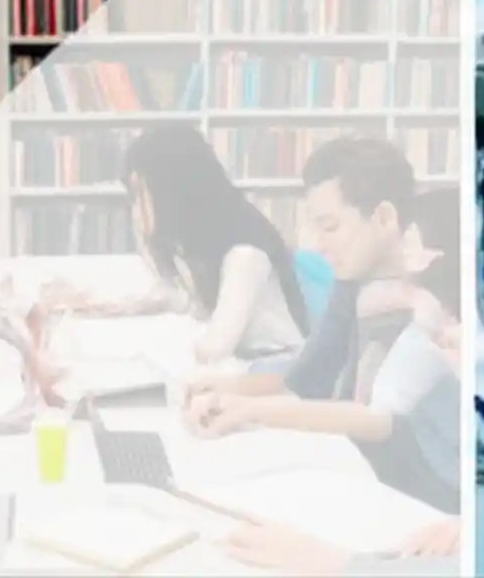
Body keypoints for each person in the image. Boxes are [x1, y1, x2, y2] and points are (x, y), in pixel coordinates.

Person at [183, 137, 460, 513]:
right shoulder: (352, 285)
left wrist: (245, 406)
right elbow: (308, 378)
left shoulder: (434, 300)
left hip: (420, 497)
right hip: (360, 465)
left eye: (330, 227)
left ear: (383, 218)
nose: (316, 245)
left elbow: (375, 417)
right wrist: (233, 392)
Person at [39, 125, 309, 364]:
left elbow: (214, 348)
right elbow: (181, 300)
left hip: (277, 372)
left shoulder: (245, 256)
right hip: (245, 369)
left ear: (173, 192)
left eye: (140, 195)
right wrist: (93, 304)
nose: (134, 210)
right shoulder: (200, 247)